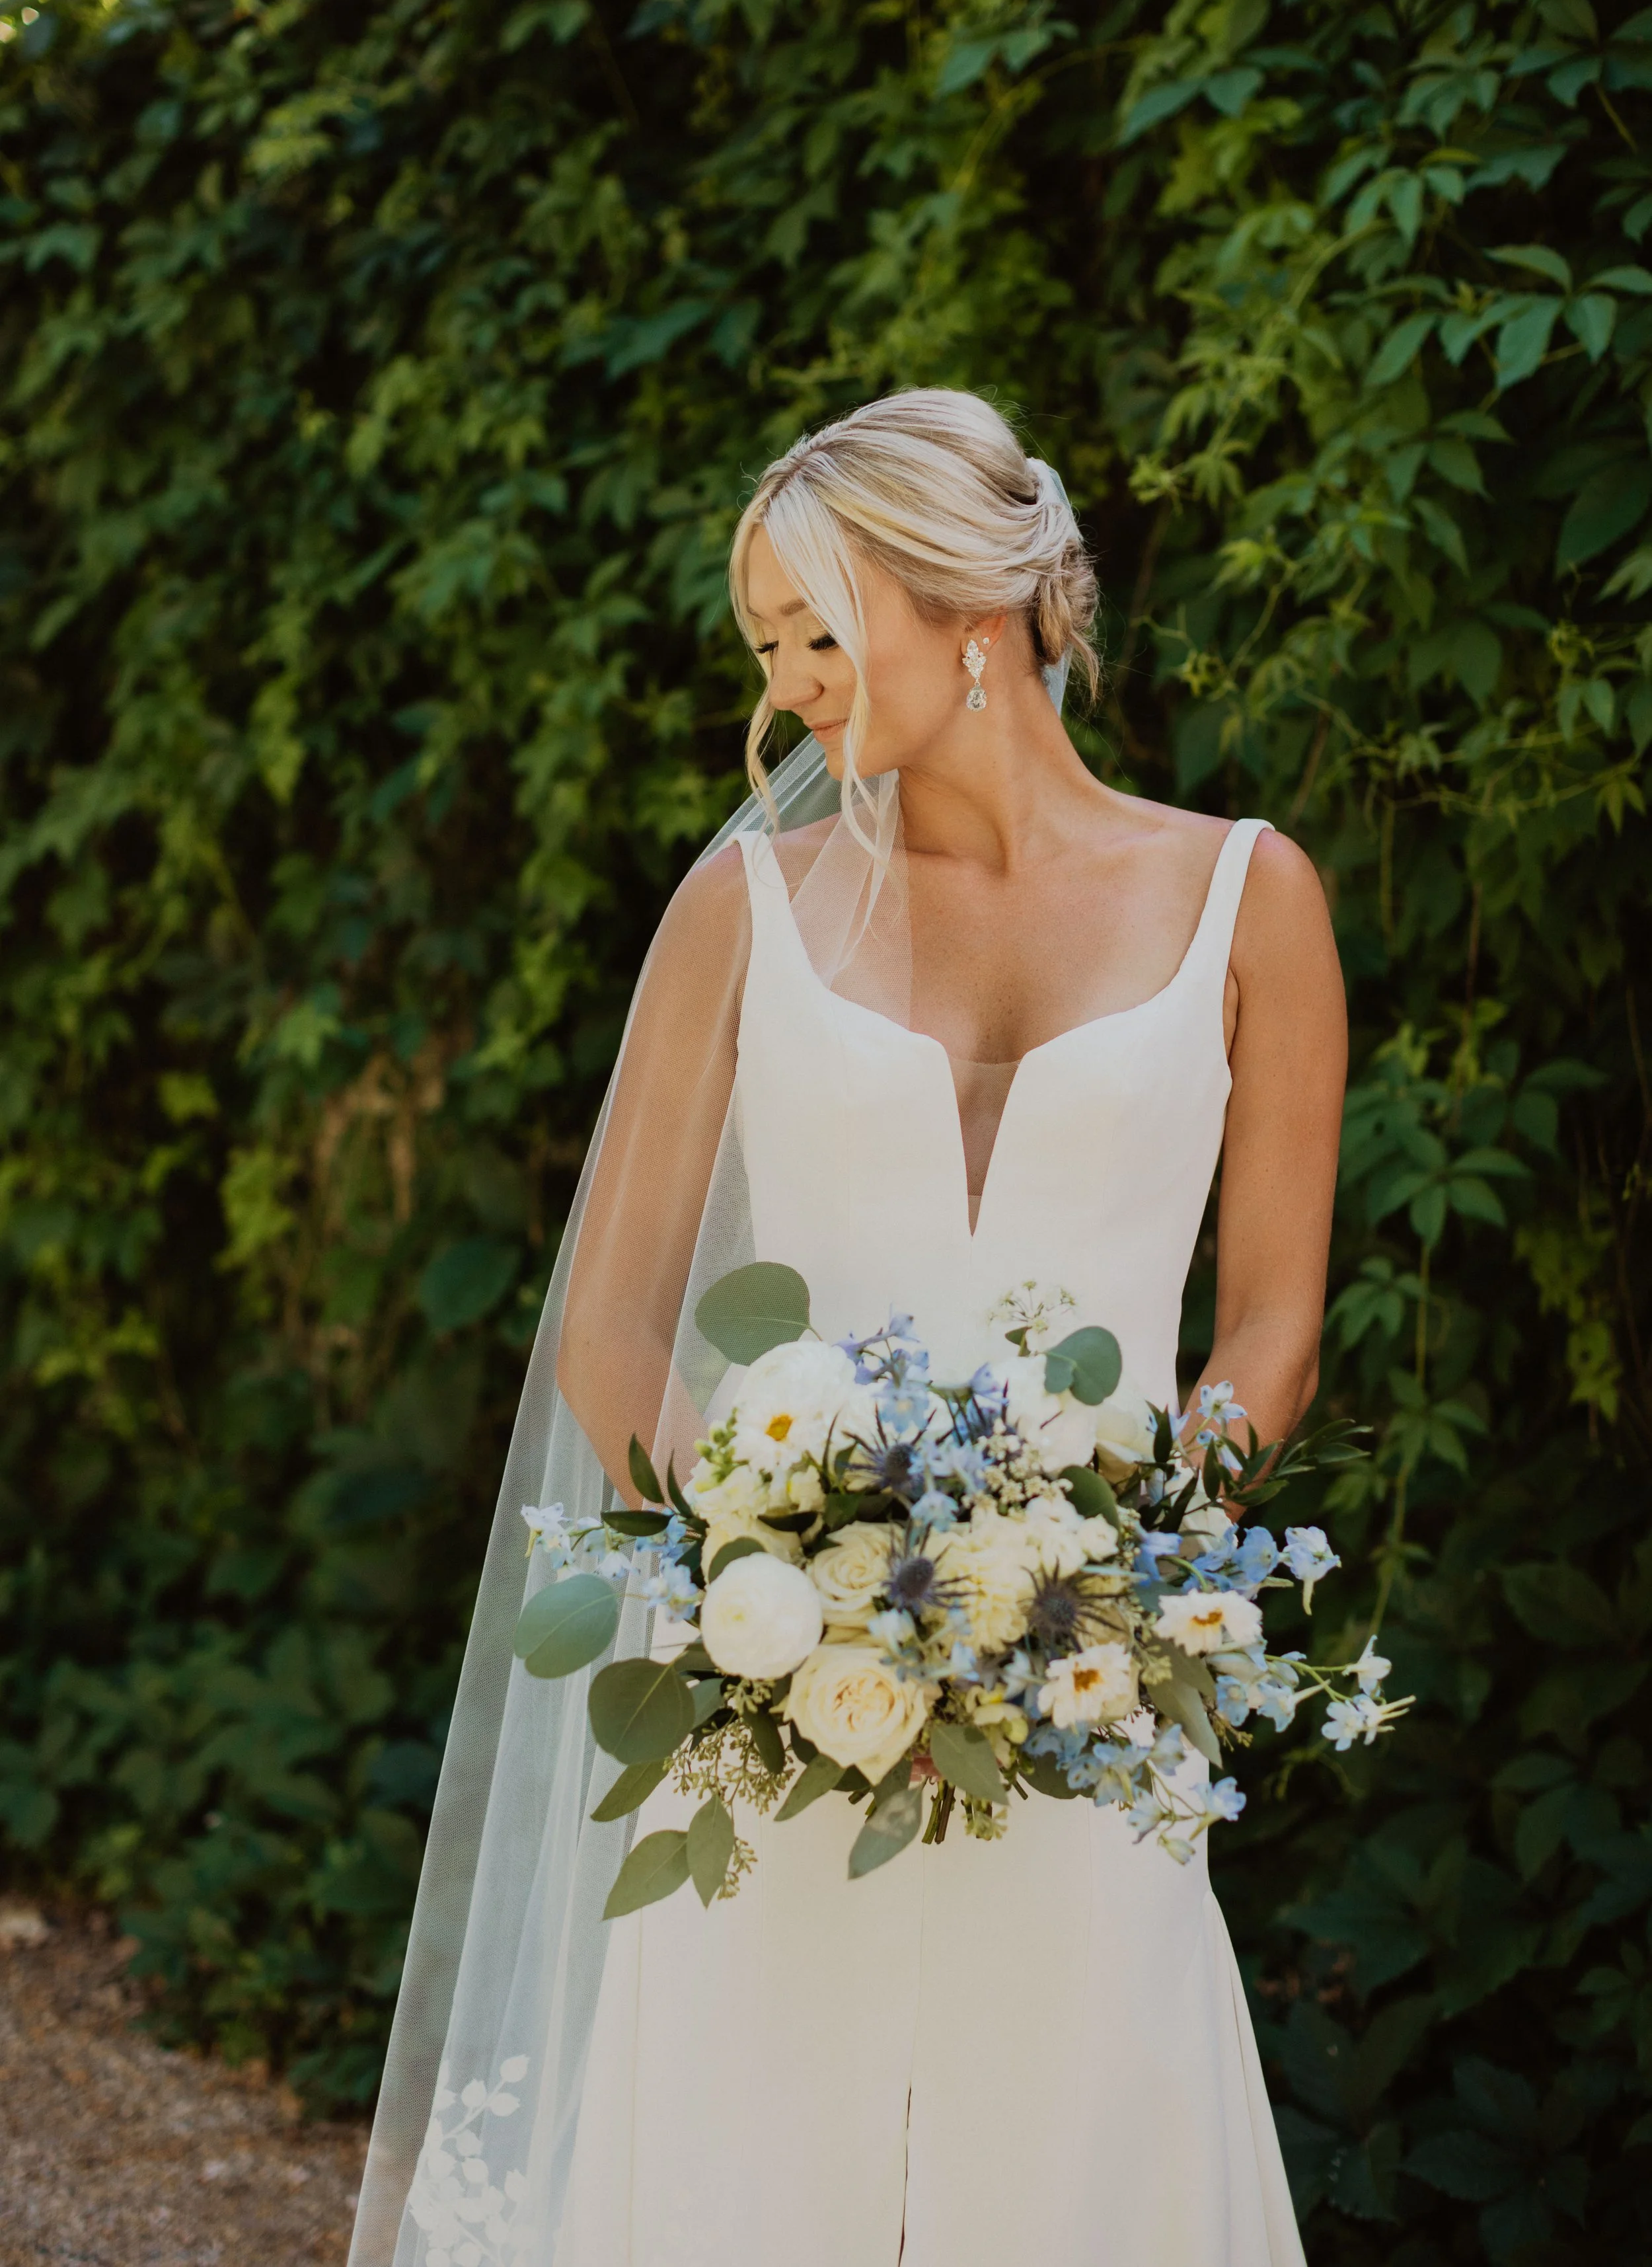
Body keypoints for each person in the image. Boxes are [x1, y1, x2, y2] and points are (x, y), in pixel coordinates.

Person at [350, 389, 1347, 2267]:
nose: (795, 684)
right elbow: (613, 1327)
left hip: (1092, 1691)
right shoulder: (743, 911)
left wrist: (1114, 1596)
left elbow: (1269, 1327)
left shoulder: (1245, 898)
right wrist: (763, 1591)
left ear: (963, 602)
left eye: (824, 629)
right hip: (779, 1697)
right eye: (768, 647)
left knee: (1078, 2146)